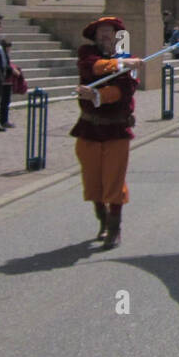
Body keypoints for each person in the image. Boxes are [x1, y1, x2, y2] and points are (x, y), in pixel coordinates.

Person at [72, 16, 144, 250]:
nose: (105, 36)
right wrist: (119, 66)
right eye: (101, 32)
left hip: (117, 129)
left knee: (114, 180)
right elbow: (90, 69)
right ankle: (102, 219)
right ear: (95, 36)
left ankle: (114, 229)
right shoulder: (87, 53)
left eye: (110, 32)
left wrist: (98, 96)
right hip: (89, 128)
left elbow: (126, 88)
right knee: (92, 182)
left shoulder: (126, 58)